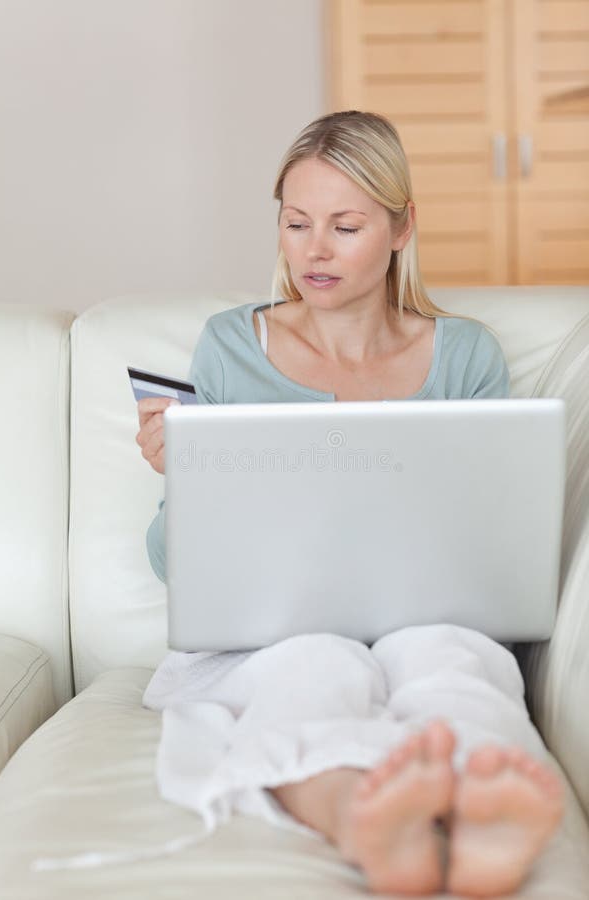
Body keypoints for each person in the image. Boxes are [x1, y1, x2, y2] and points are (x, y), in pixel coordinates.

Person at [135, 111, 563, 897]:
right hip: (272, 633)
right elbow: (175, 565)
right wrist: (183, 479)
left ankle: (478, 814)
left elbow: (493, 542)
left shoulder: (466, 355)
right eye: (296, 223)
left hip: (428, 620)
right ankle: (362, 818)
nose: (314, 250)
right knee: (313, 664)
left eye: (345, 226)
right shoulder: (230, 346)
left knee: (449, 657)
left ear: (401, 228)